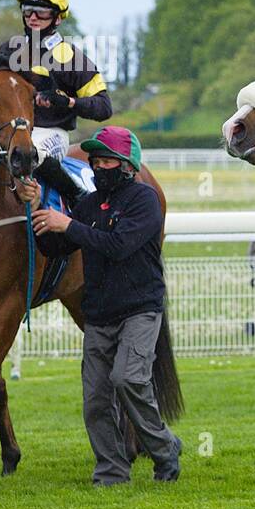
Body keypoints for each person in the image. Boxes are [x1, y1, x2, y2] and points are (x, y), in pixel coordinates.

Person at [17, 126, 181, 486]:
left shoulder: (144, 200)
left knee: (128, 379)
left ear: (126, 165)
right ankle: (111, 471)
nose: (100, 166)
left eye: (108, 160)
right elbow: (56, 249)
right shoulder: (89, 204)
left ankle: (165, 449)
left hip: (140, 309)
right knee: (94, 399)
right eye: (96, 160)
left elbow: (118, 245)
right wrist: (37, 212)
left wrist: (68, 224)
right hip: (100, 314)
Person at [0, 0, 111, 206]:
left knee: (34, 155)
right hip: (12, 129)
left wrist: (68, 102)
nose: (33, 17)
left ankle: (77, 196)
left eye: (42, 11)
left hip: (52, 132)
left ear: (58, 17)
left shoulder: (74, 59)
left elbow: (104, 107)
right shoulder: (10, 49)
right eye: (28, 10)